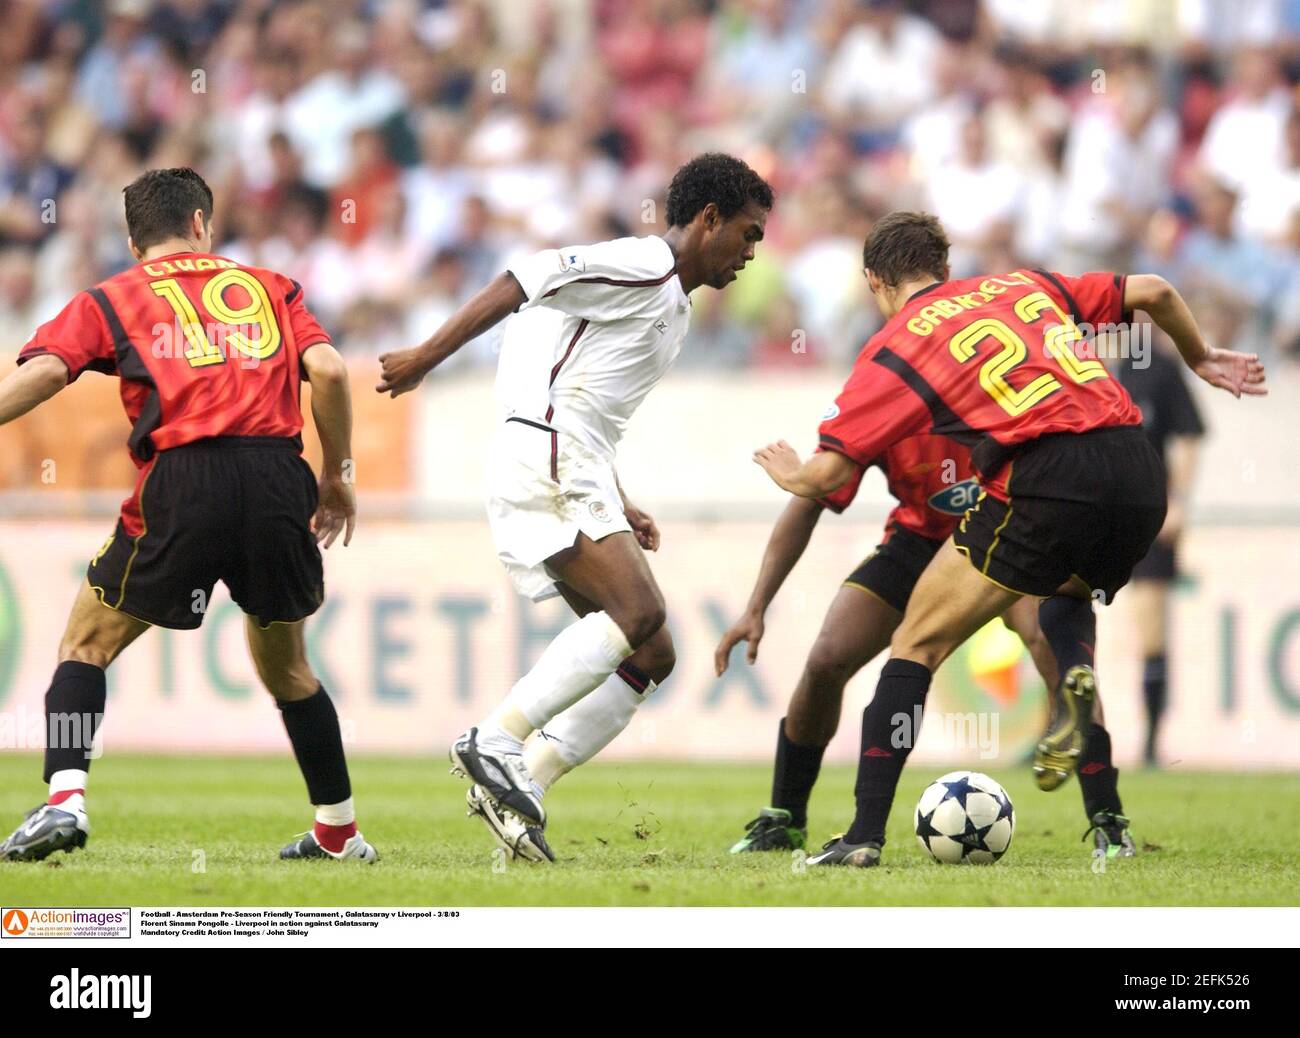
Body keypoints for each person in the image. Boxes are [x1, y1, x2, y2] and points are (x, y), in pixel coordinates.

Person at [753, 210, 1265, 867]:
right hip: (1137, 470)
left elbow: (826, 473)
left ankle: (862, 837)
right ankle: (1108, 814)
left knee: (915, 641)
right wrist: (1201, 358)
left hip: (1048, 475)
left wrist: (789, 471)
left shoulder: (896, 343)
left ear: (874, 283)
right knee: (1064, 601)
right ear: (944, 268)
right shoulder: (1020, 285)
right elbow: (1157, 291)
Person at [377, 153, 773, 862]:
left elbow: (584, 391)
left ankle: (522, 785)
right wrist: (425, 357)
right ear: (708, 219)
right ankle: (493, 741)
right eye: (747, 234)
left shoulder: (671, 303)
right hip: (548, 457)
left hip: (573, 461)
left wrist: (619, 496)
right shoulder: (644, 263)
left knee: (651, 653)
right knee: (639, 615)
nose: (750, 253)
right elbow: (523, 279)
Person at [0, 168, 371, 864]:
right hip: (276, 478)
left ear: (133, 241)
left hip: (185, 480)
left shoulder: (113, 295)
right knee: (289, 671)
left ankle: (65, 801)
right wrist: (339, 475)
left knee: (87, 645)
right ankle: (339, 833)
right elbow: (331, 372)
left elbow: (48, 372)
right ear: (202, 223)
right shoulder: (272, 287)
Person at [716, 431, 1057, 853]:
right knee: (827, 659)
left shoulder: (993, 387)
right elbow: (808, 500)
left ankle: (1107, 818)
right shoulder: (885, 401)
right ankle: (784, 818)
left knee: (1048, 639)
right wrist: (756, 606)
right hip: (917, 544)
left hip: (999, 539)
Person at [1114, 334, 1206, 766]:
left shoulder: (1158, 368)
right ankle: (1051, 732)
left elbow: (1188, 435)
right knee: (1053, 617)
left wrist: (1180, 502)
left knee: (1150, 627)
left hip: (1147, 513)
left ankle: (1151, 741)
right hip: (1086, 514)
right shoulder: (1079, 362)